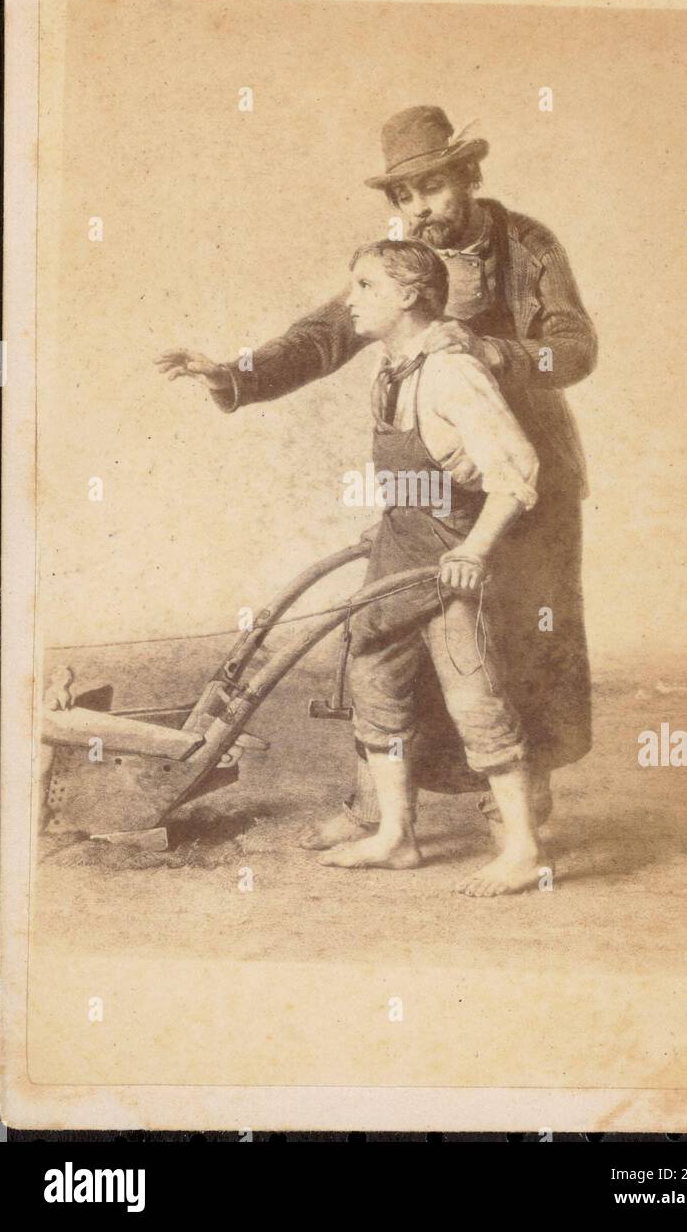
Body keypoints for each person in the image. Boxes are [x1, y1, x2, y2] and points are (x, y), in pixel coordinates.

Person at [156, 104, 597, 849]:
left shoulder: (528, 244)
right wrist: (234, 375)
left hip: (523, 477)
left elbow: (576, 348)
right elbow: (327, 334)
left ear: (468, 175)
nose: (417, 209)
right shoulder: (400, 261)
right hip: (430, 484)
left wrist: (498, 354)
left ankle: (516, 816)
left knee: (519, 637)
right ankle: (378, 815)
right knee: (387, 638)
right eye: (403, 196)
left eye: (430, 189)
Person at [323, 238, 542, 894]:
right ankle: (395, 836)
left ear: (410, 295)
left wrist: (472, 551)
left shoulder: (451, 371)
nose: (349, 300)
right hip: (397, 553)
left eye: (364, 286)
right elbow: (415, 473)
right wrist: (389, 522)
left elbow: (518, 472)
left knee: (473, 697)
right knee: (371, 679)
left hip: (449, 562)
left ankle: (523, 850)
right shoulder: (390, 369)